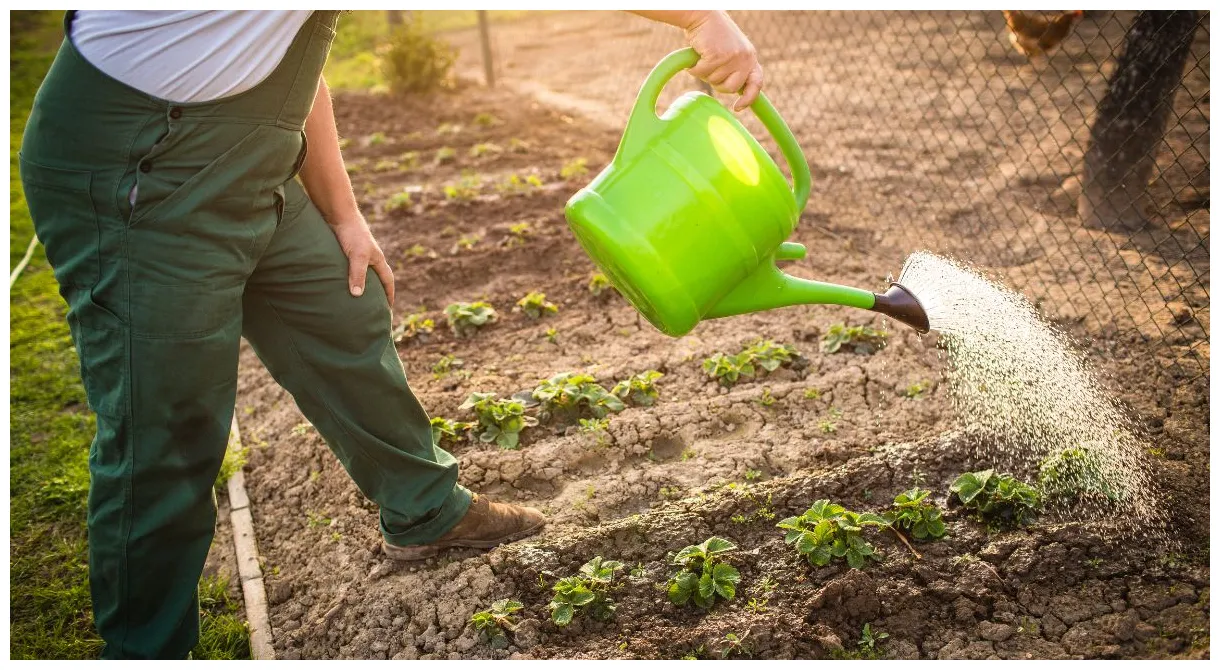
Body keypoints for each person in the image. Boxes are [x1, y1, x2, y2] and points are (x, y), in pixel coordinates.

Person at [19, 9, 764, 659]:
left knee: (341, 310)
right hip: (141, 175)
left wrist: (343, 215)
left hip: (251, 159)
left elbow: (292, 56)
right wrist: (697, 15)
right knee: (166, 430)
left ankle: (425, 510)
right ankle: (145, 650)